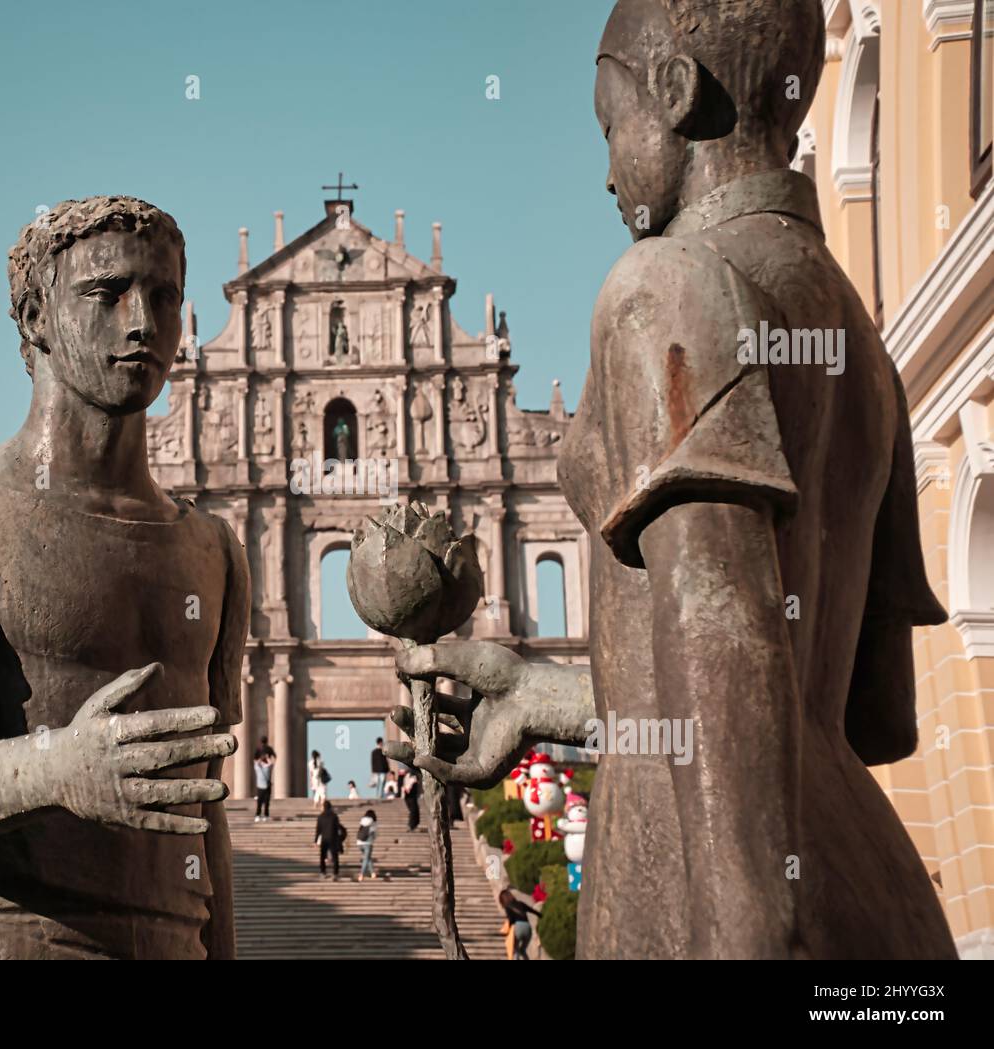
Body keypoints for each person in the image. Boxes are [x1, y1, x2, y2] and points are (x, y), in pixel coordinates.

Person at [388, 0, 957, 961]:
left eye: (611, 127)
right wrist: (546, 698)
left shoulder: (664, 286)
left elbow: (723, 658)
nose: (607, 169)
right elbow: (870, 715)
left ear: (675, 91)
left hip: (728, 913)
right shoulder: (860, 340)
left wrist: (750, 936)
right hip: (873, 893)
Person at [0, 197, 247, 960]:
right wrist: (56, 767)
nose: (143, 323)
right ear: (36, 315)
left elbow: (207, 806)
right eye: (107, 294)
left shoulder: (214, 548)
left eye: (163, 296)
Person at [498, 889, 540, 960]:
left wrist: (508, 930)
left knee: (515, 948)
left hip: (519, 927)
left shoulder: (508, 907)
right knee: (522, 950)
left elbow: (511, 919)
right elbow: (532, 911)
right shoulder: (520, 903)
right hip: (528, 928)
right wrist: (541, 915)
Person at [315, 801, 344, 881]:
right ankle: (335, 874)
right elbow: (338, 828)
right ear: (330, 807)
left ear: (324, 807)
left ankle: (323, 872)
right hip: (333, 838)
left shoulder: (320, 817)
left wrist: (315, 841)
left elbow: (318, 830)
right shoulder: (334, 816)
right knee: (335, 857)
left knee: (322, 856)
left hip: (324, 839)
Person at [355, 809, 379, 881]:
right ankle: (361, 874)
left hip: (359, 842)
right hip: (368, 843)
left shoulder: (362, 821)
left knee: (368, 858)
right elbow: (375, 834)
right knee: (366, 858)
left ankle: (372, 873)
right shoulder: (373, 823)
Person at [253, 752, 274, 822]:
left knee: (266, 802)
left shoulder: (265, 766)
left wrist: (264, 758)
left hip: (266, 786)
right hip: (261, 787)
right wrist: (266, 757)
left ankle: (265, 815)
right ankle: (258, 815)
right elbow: (270, 763)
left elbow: (271, 764)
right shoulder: (259, 767)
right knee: (260, 802)